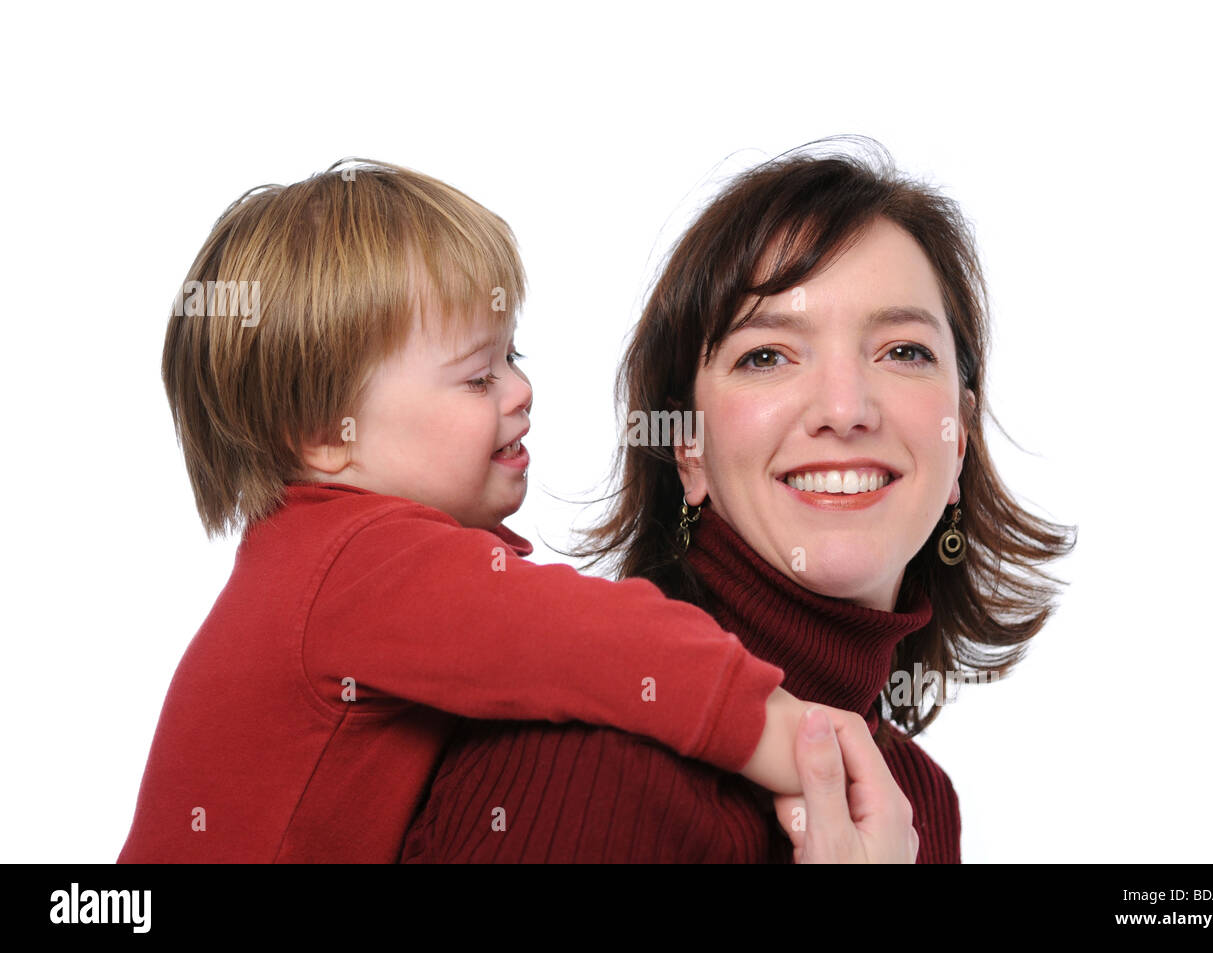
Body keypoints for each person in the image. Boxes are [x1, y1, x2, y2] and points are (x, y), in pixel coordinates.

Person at [118, 158, 878, 863]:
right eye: (477, 378)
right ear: (323, 433)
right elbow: (590, 640)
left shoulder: (309, 563)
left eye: (513, 358)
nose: (520, 392)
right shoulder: (361, 559)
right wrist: (783, 733)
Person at [401, 140, 1077, 863]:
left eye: (903, 351)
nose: (845, 409)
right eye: (767, 356)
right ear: (689, 449)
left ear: (960, 441)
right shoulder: (596, 752)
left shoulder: (918, 802)